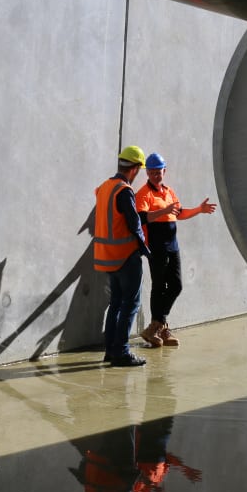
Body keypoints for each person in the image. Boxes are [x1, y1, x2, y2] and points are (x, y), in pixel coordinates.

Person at [135, 152, 216, 348]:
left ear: (164, 171)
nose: (156, 175)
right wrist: (163, 211)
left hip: (172, 245)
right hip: (156, 245)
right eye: (152, 172)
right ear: (148, 173)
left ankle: (156, 326)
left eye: (158, 172)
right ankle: (160, 329)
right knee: (159, 285)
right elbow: (142, 218)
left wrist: (199, 209)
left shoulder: (168, 191)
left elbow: (178, 213)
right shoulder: (144, 193)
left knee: (176, 285)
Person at [93, 145, 152, 367]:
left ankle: (111, 350)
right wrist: (145, 250)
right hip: (125, 256)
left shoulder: (104, 187)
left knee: (116, 303)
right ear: (135, 169)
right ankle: (122, 352)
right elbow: (134, 224)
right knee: (131, 303)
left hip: (107, 256)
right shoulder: (124, 191)